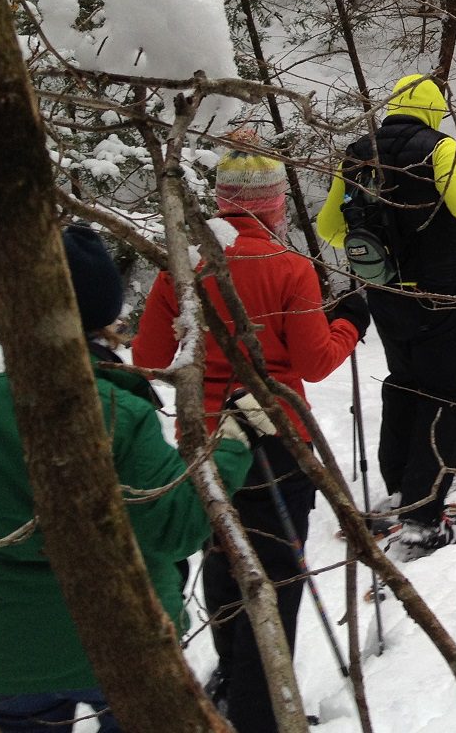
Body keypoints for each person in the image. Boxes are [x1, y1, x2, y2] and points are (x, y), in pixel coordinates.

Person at [0, 225, 253, 733]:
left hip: (12, 656)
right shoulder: (117, 409)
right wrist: (231, 448)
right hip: (129, 647)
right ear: (102, 311)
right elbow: (174, 526)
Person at [138, 131, 366, 732]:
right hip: (278, 441)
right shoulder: (289, 267)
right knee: (276, 574)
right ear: (273, 206)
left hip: (205, 440)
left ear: (219, 202)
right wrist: (350, 325)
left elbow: (148, 356)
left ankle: (235, 676)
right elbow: (314, 361)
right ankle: (261, 712)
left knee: (223, 556)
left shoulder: (182, 266)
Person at [316, 74, 456, 555]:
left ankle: (402, 486)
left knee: (405, 380)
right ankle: (423, 513)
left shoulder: (357, 152)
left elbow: (329, 226)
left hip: (384, 291)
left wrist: (378, 257)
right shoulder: (438, 147)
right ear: (433, 110)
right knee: (449, 391)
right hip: (437, 293)